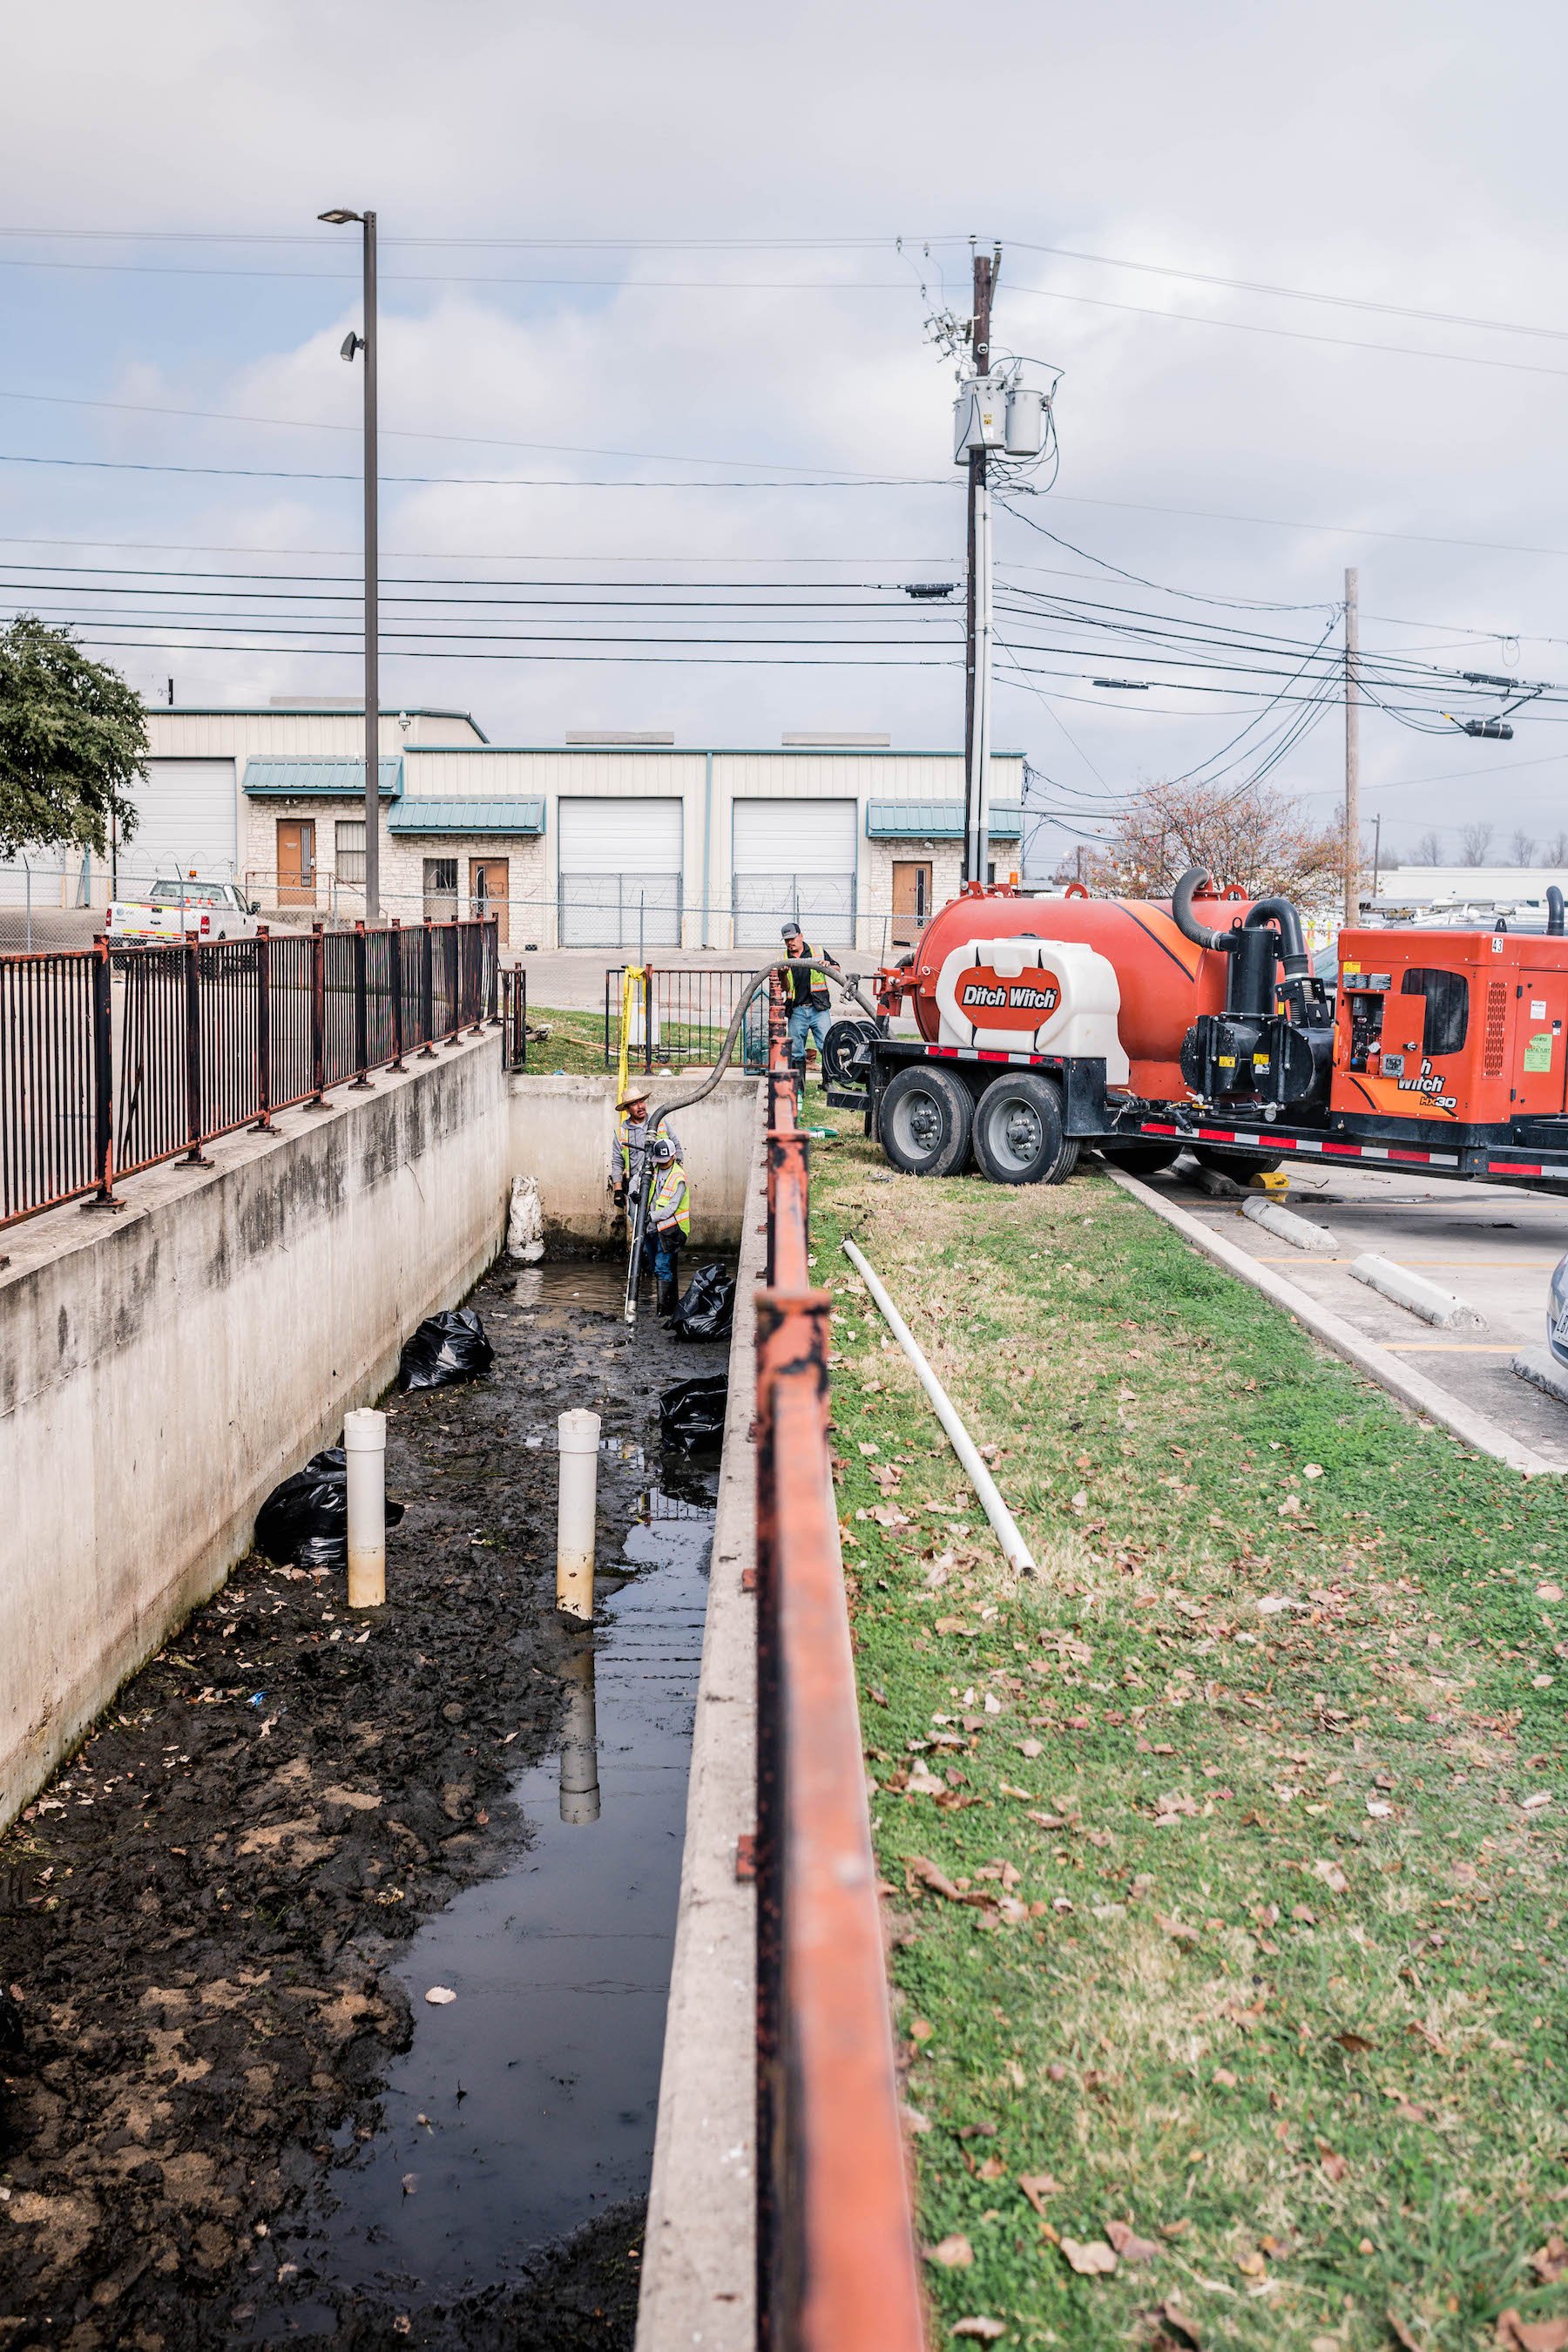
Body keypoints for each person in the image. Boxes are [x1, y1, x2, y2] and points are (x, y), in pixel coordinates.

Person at [780, 920, 842, 1087]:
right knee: (796, 1052)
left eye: (793, 938)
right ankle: (798, 1089)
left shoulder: (818, 952)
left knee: (826, 1046)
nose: (790, 943)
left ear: (801, 936)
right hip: (797, 1010)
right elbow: (786, 988)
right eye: (787, 940)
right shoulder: (783, 959)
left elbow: (838, 970)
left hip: (818, 1009)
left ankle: (828, 1083)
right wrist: (783, 974)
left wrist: (828, 966)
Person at [611, 1085, 681, 1218]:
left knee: (659, 1219)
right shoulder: (622, 1133)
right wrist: (618, 1190)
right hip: (636, 1184)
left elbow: (676, 1147)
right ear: (627, 1109)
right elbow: (617, 1162)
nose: (640, 1106)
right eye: (634, 1104)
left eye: (641, 1101)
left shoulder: (660, 1123)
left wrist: (675, 1174)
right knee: (637, 1218)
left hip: (661, 1182)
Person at [642, 1134, 690, 1315]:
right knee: (655, 1267)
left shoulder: (678, 1177)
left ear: (673, 1156)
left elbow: (671, 1208)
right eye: (659, 1161)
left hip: (672, 1230)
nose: (662, 1164)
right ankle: (667, 1309)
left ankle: (664, 1311)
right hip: (654, 1228)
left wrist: (650, 1216)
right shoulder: (653, 1171)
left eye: (665, 1160)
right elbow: (643, 1187)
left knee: (663, 1267)